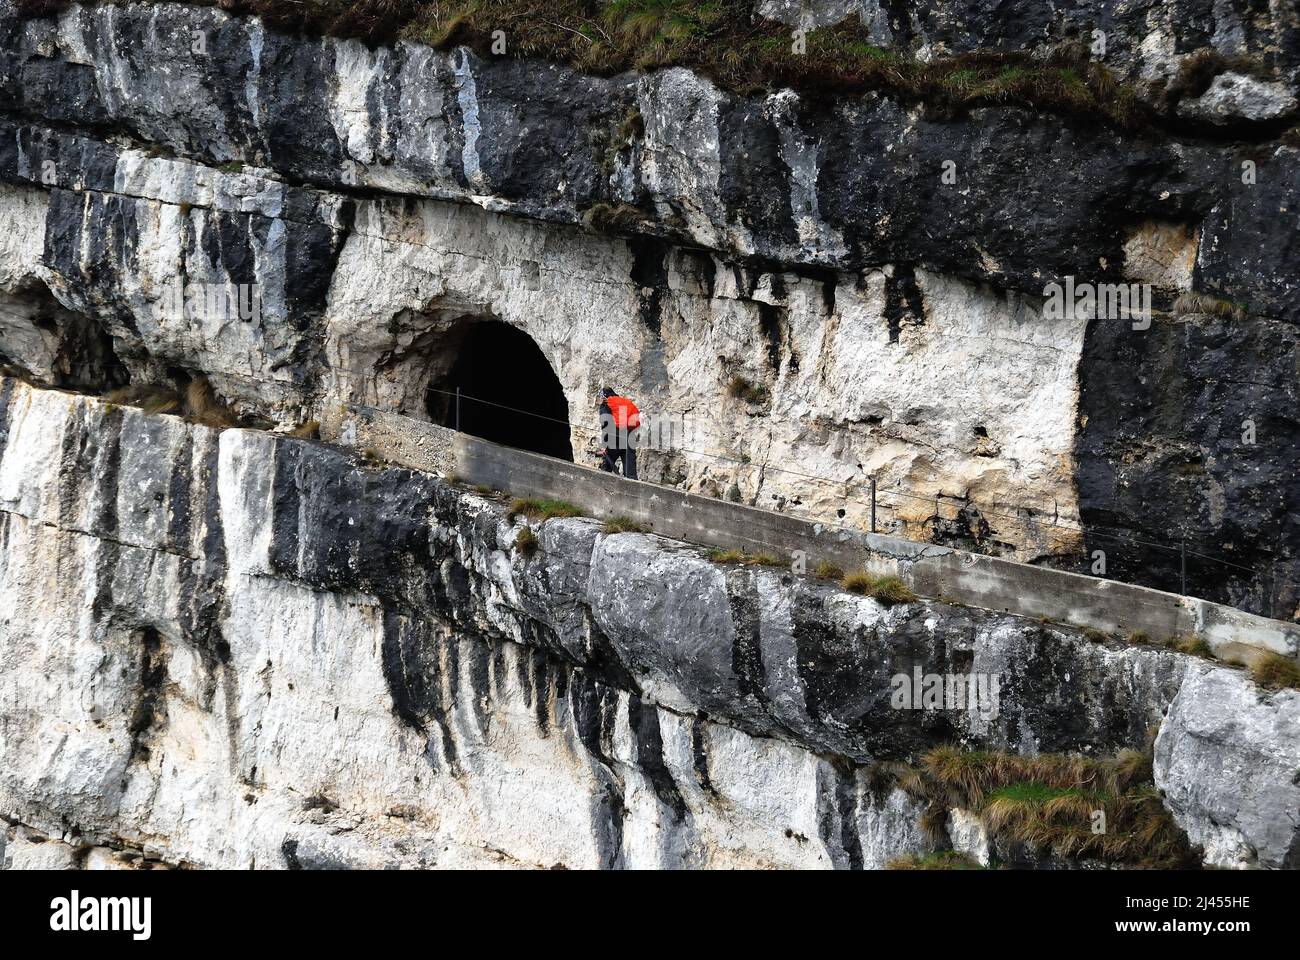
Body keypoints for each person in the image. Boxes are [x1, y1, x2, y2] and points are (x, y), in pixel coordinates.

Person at [597, 387, 639, 480]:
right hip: (629, 437)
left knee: (606, 468)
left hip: (614, 438)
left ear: (603, 396)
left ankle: (601, 490)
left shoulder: (606, 403)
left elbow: (606, 424)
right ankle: (632, 492)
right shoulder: (624, 402)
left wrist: (604, 445)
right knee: (630, 473)